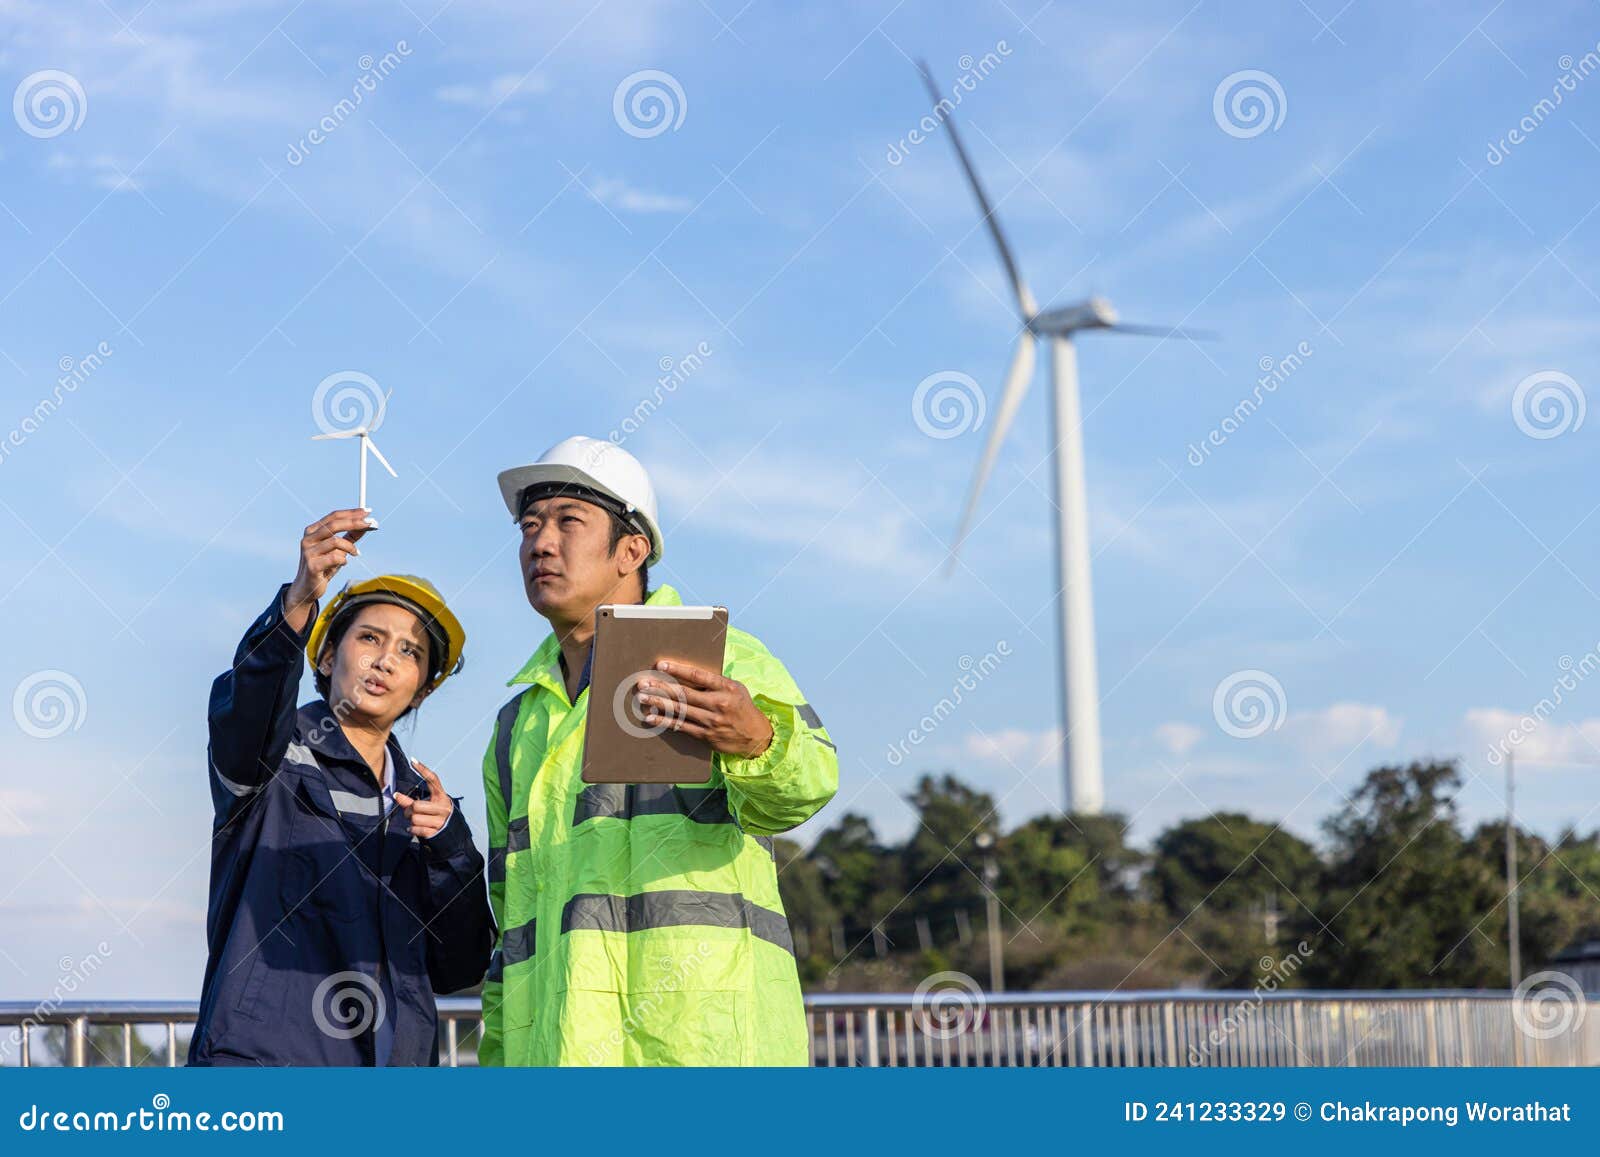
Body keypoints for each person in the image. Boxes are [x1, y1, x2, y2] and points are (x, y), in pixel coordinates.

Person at [478, 436, 839, 1066]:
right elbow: (511, 923)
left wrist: (756, 740)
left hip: (705, 1049)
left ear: (632, 550)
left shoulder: (721, 659)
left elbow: (809, 786)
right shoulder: (518, 725)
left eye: (568, 522)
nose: (540, 544)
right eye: (529, 526)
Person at [189, 508, 493, 1066]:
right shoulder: (270, 760)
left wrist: (451, 848)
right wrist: (299, 600)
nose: (386, 661)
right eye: (370, 638)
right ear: (328, 655)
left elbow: (460, 967)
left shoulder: (426, 810)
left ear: (422, 690)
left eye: (410, 652)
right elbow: (251, 702)